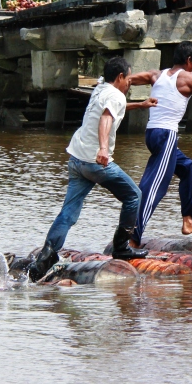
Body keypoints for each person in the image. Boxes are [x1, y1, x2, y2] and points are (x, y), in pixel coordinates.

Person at [26, 57, 160, 282]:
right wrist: (103, 148)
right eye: (128, 79)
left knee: (68, 214)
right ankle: (121, 248)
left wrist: (141, 105)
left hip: (76, 159)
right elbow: (106, 118)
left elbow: (110, 109)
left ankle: (45, 258)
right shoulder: (116, 95)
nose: (129, 84)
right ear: (119, 78)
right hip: (94, 162)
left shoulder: (100, 88)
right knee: (134, 196)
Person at [131, 41, 192, 246]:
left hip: (151, 134)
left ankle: (188, 220)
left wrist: (105, 85)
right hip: (167, 134)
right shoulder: (191, 78)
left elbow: (128, 79)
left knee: (188, 169)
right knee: (153, 187)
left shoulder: (156, 75)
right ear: (189, 60)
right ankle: (132, 238)